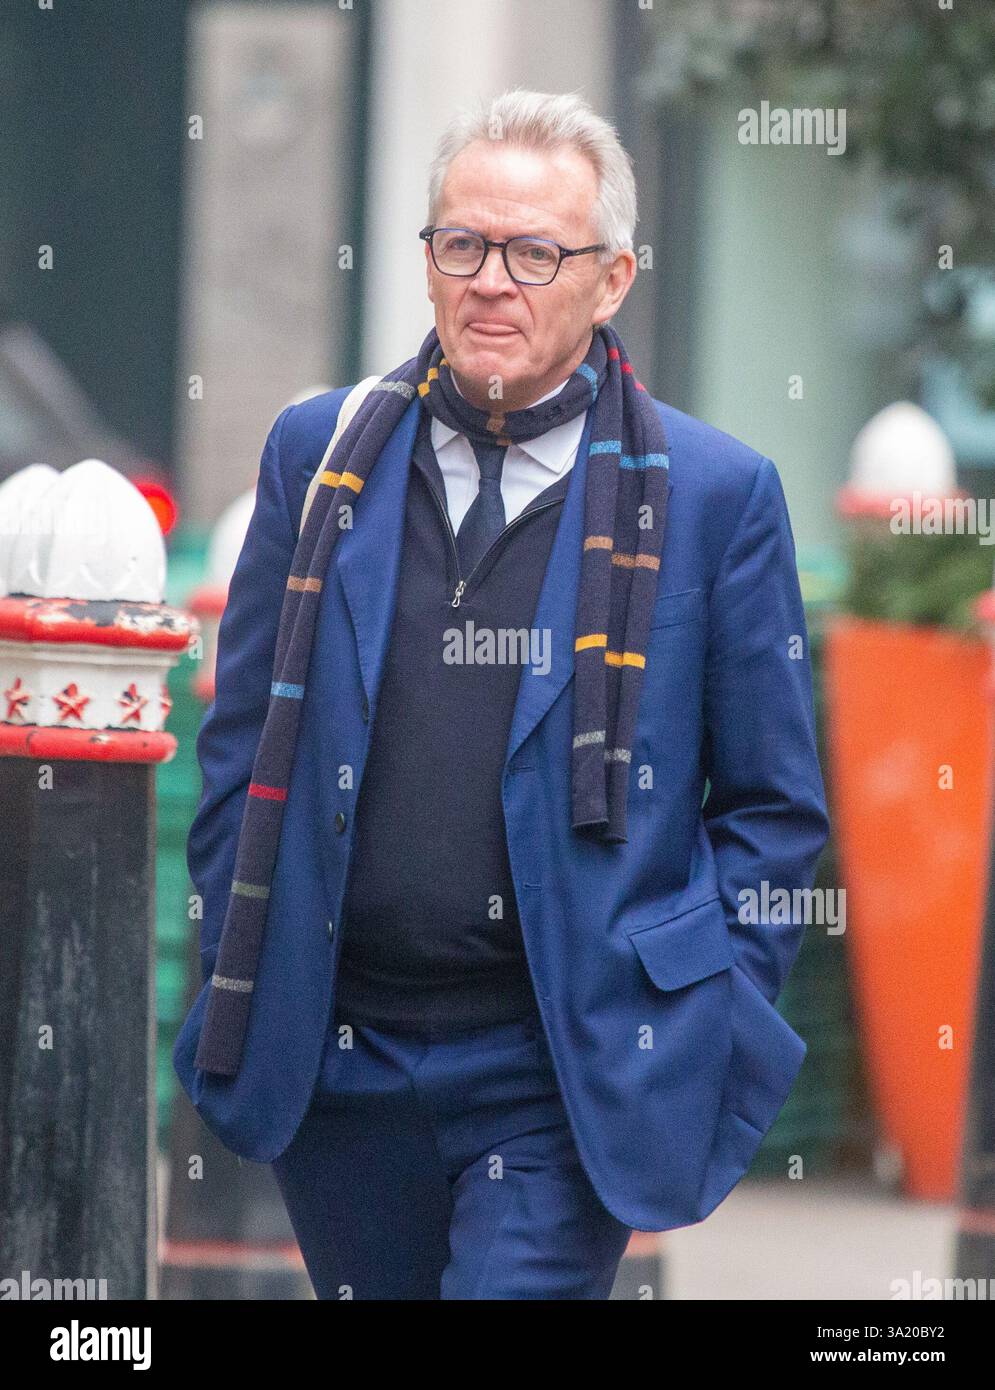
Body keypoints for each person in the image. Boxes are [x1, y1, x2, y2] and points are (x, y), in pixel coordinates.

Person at [173, 88, 831, 1300]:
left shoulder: (713, 495)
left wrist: (697, 1011)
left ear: (613, 276)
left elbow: (771, 811)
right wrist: (238, 931)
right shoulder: (313, 455)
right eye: (462, 244)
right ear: (427, 263)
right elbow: (239, 746)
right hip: (341, 1062)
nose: (491, 281)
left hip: (560, 1069)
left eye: (536, 253)